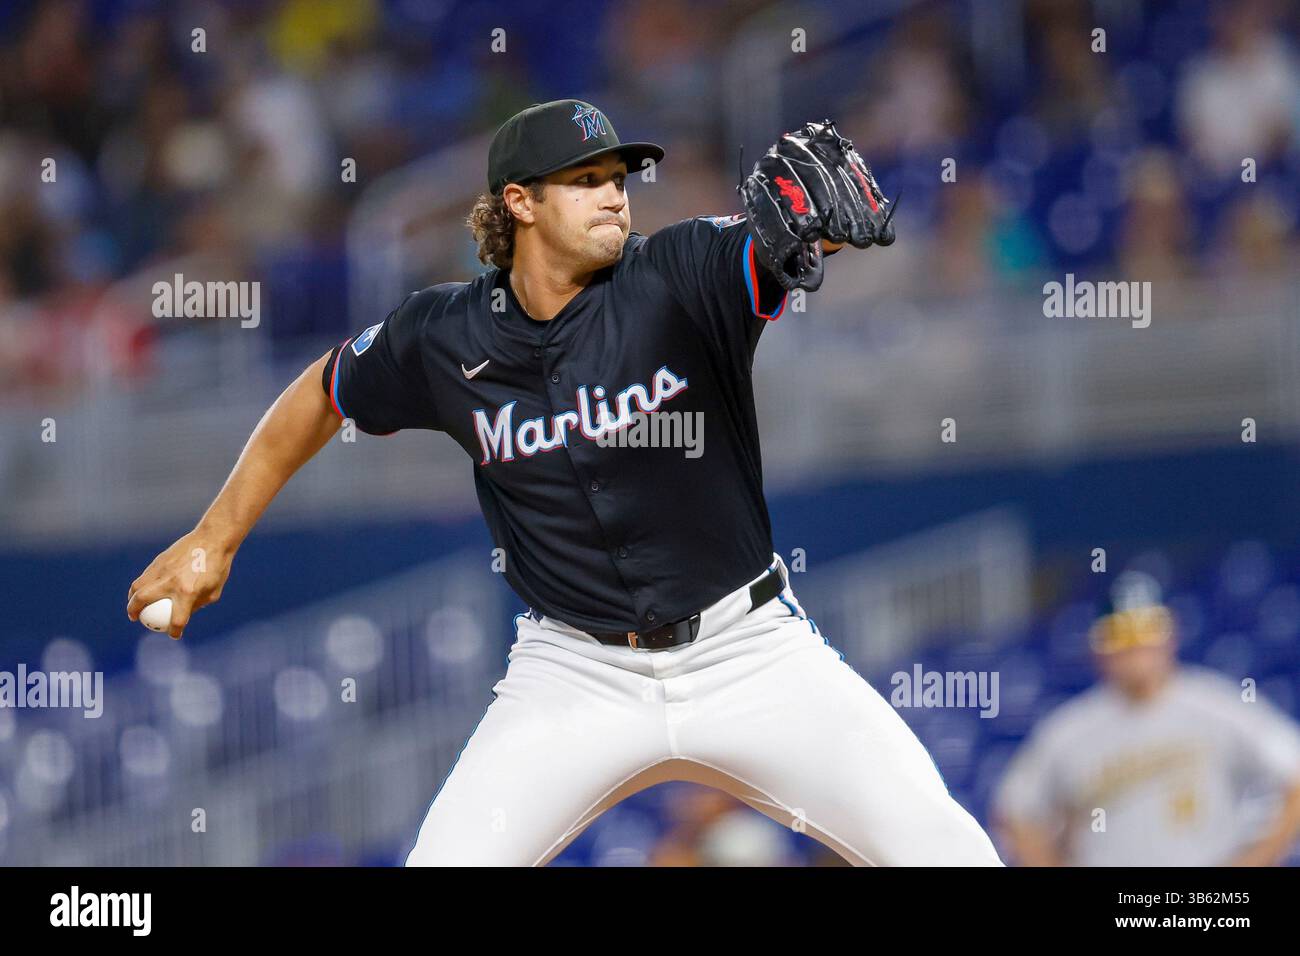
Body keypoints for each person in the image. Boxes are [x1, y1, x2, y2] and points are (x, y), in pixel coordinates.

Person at [128, 99, 1002, 867]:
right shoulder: (441, 335)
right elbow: (320, 393)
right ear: (520, 203)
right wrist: (216, 535)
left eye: (619, 175)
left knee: (947, 850)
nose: (615, 193)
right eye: (585, 179)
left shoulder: (682, 271)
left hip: (750, 651)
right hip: (575, 674)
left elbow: (770, 247)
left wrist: (822, 225)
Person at [994, 571, 1300, 866]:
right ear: (1100, 647)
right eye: (1122, 636)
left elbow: (1294, 774)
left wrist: (1256, 860)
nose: (1137, 648)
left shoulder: (1217, 705)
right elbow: (1015, 809)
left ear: (1169, 635)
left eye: (1145, 631)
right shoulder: (1070, 729)